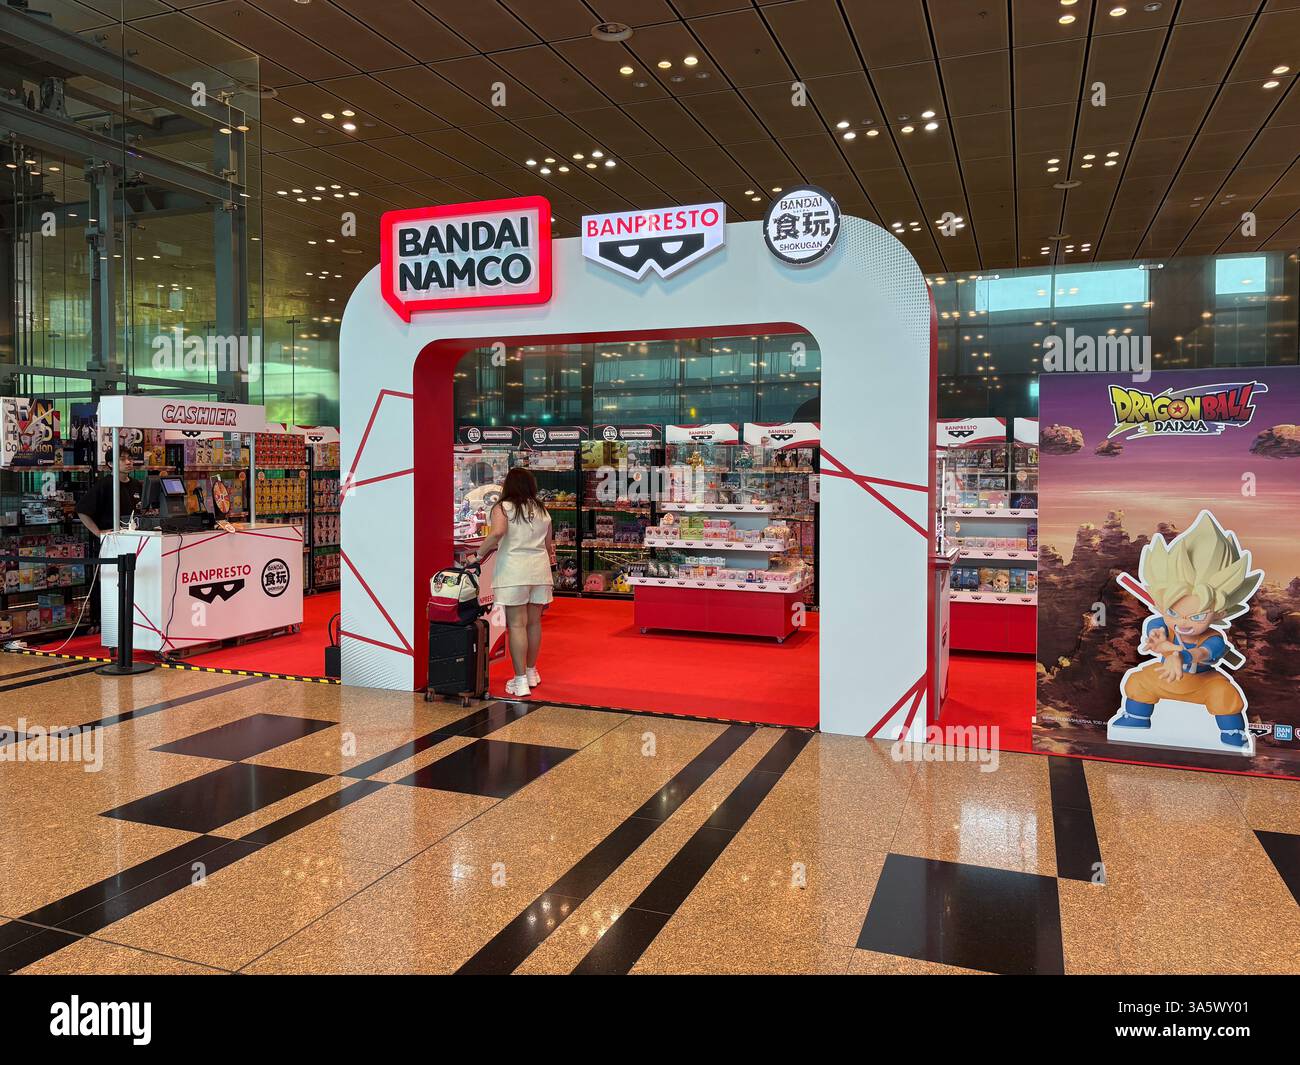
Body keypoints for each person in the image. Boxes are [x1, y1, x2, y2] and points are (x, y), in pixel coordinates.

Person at [471, 467, 555, 698]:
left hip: (514, 570)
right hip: (539, 570)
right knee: (534, 623)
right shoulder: (541, 509)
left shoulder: (503, 507)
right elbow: (548, 545)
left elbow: (497, 533)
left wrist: (478, 554)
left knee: (517, 625)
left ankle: (519, 681)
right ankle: (531, 672)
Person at [76, 450, 141, 538]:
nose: (128, 462)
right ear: (110, 464)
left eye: (130, 459)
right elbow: (82, 510)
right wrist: (98, 533)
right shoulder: (104, 484)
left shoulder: (136, 484)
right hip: (112, 538)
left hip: (135, 536)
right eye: (122, 459)